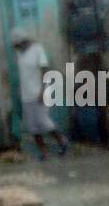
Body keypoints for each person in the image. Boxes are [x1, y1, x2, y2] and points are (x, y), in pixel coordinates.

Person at [12, 28, 68, 160]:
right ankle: (44, 152)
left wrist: (43, 90)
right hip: (27, 94)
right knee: (32, 127)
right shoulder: (20, 54)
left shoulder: (37, 49)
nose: (16, 47)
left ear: (23, 42)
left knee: (44, 122)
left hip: (39, 92)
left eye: (17, 45)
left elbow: (44, 69)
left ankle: (62, 141)